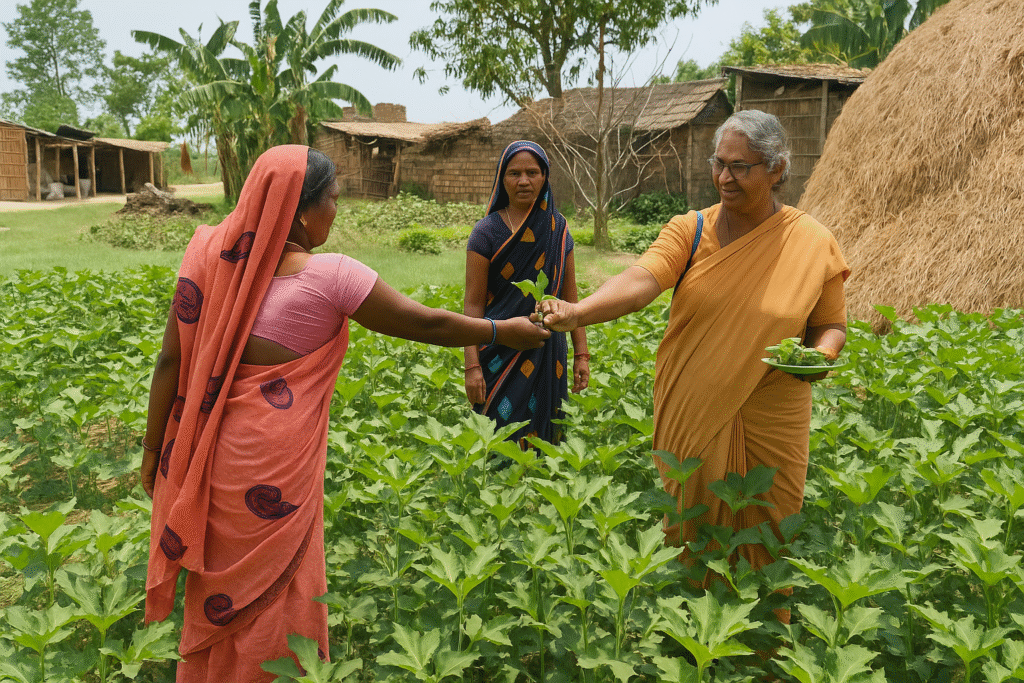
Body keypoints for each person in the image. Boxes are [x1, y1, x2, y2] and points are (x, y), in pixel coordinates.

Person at [139, 145, 549, 683]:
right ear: (303, 210)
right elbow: (427, 324)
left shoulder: (210, 257)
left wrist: (153, 453)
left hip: (215, 464)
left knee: (224, 587)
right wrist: (505, 331)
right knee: (279, 594)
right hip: (278, 473)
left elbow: (171, 358)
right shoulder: (330, 277)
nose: (337, 211)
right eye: (333, 200)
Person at [535, 110, 850, 587]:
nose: (724, 177)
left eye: (740, 167)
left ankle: (760, 654)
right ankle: (688, 645)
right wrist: (579, 312)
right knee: (691, 532)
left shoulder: (811, 242)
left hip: (774, 414)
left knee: (768, 536)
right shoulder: (690, 230)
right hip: (694, 410)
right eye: (718, 163)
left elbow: (830, 324)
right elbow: (641, 281)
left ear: (777, 170)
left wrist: (820, 355)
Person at [463, 140, 588, 446]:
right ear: (501, 179)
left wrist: (582, 355)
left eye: (532, 172)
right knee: (496, 442)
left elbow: (571, 300)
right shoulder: (486, 232)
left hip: (548, 354)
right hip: (498, 351)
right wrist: (472, 366)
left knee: (546, 441)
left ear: (545, 177)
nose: (523, 181)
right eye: (513, 173)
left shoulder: (558, 229)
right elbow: (473, 303)